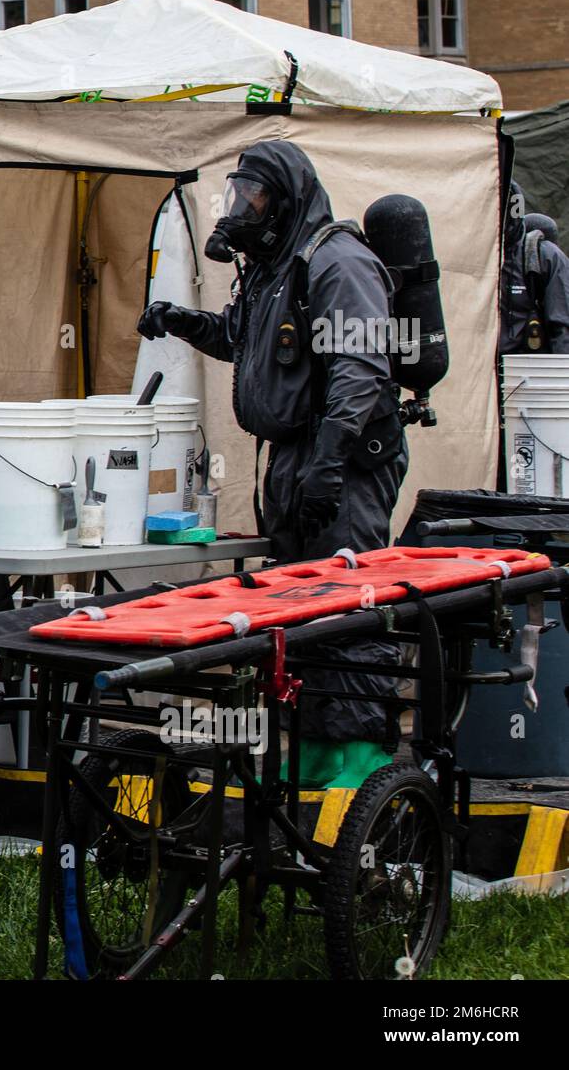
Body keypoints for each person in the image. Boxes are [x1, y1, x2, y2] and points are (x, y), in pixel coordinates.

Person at [138, 140, 406, 789]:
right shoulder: (272, 268)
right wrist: (182, 322)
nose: (239, 209)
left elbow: (361, 370)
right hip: (291, 461)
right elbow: (240, 338)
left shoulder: (336, 262)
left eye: (251, 196)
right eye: (236, 194)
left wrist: (330, 463)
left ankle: (362, 766)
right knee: (299, 608)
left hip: (341, 462)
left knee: (347, 607)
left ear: (285, 201)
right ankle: (313, 755)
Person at [499, 182, 569, 354]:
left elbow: (562, 327)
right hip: (475, 371)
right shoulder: (466, 256)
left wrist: (562, 377)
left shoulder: (543, 257)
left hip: (530, 370)